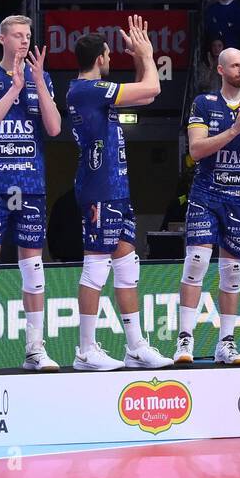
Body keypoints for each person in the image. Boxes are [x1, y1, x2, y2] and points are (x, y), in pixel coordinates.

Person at [67, 18, 174, 370]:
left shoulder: (95, 92)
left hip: (117, 186)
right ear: (99, 58)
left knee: (127, 265)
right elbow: (151, 89)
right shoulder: (87, 90)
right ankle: (85, 350)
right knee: (96, 267)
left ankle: (135, 347)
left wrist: (143, 58)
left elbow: (146, 92)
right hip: (99, 187)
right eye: (109, 54)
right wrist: (146, 54)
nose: (112, 58)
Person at [0, 16, 64, 374]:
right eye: (18, 35)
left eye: (28, 36)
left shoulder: (42, 77)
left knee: (33, 268)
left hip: (31, 185)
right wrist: (14, 89)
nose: (24, 41)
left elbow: (53, 128)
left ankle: (35, 348)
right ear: (2, 38)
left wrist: (36, 82)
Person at [176, 47, 240, 365]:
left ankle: (226, 343)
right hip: (206, 195)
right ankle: (185, 341)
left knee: (232, 272)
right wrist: (233, 130)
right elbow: (196, 149)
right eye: (235, 65)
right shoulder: (204, 103)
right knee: (196, 263)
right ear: (221, 70)